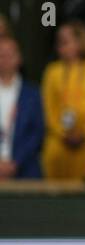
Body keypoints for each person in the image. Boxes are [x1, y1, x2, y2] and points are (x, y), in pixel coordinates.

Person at [40, 21, 85, 180]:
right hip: (59, 142)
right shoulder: (52, 71)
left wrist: (84, 132)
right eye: (59, 42)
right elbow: (48, 109)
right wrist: (63, 133)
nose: (61, 46)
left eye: (66, 41)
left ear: (81, 42)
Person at [0, 35, 44, 179]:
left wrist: (15, 162)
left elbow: (37, 132)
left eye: (9, 55)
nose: (5, 59)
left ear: (19, 58)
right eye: (1, 55)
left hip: (24, 172)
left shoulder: (32, 94)